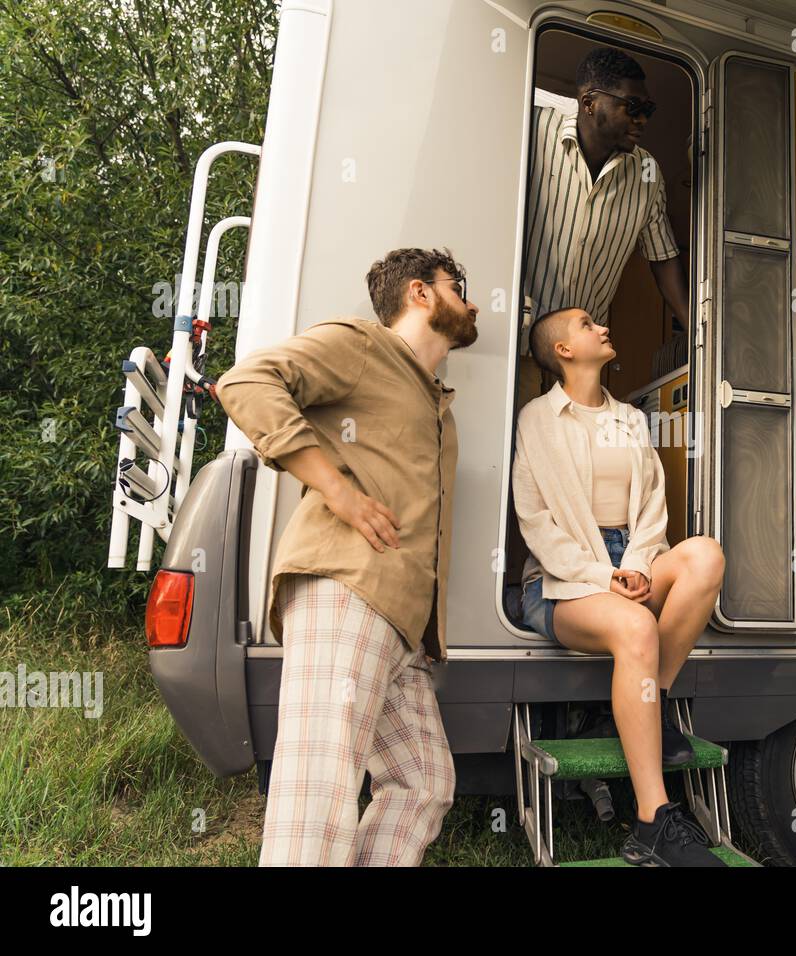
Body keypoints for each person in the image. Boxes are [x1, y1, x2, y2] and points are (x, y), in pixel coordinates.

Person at [216, 248, 478, 866]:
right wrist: (337, 488)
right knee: (320, 791)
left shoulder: (436, 400)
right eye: (458, 286)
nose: (470, 302)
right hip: (347, 590)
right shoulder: (364, 345)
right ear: (420, 293)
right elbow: (246, 382)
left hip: (400, 625)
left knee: (424, 783)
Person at [511, 306, 727, 866]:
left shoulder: (630, 417)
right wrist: (603, 576)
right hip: (563, 580)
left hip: (632, 556)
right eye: (587, 325)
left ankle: (643, 707)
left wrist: (633, 563)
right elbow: (535, 523)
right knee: (634, 624)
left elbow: (653, 501)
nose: (602, 328)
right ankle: (654, 820)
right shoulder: (536, 419)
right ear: (562, 350)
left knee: (705, 556)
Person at [523, 46, 691, 328]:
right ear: (589, 103)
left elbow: (663, 259)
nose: (642, 119)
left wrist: (697, 337)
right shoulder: (534, 130)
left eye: (647, 109)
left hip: (582, 353)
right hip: (520, 339)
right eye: (633, 107)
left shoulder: (647, 174)